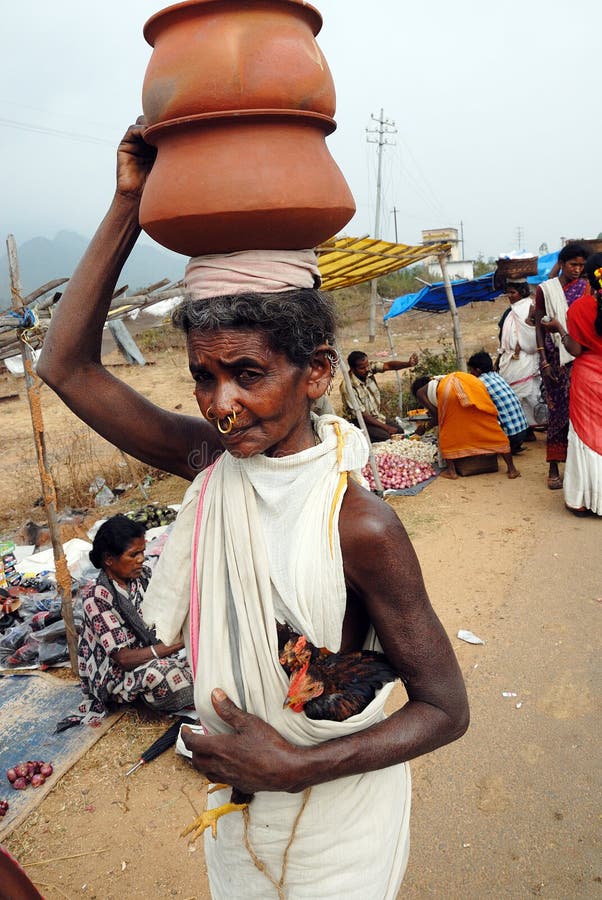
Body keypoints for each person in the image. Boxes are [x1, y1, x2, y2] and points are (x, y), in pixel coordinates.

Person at [37, 120, 468, 898]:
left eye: (247, 372)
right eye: (204, 377)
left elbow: (444, 708)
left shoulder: (360, 525)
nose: (221, 405)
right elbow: (64, 365)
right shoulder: (212, 462)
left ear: (316, 372)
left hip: (339, 823)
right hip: (239, 808)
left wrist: (297, 766)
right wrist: (129, 203)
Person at [77, 514, 194, 724]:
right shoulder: (97, 598)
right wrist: (179, 643)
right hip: (116, 674)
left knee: (201, 657)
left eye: (142, 551)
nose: (141, 558)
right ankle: (149, 700)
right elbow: (123, 658)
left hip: (151, 651)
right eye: (133, 554)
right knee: (162, 673)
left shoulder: (144, 576)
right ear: (109, 560)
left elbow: (169, 607)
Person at [541, 253, 602, 516]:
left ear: (590, 277)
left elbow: (575, 350)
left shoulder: (579, 308)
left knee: (587, 438)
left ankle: (583, 500)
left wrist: (560, 330)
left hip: (588, 378)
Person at [535, 243, 589, 489]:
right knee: (557, 413)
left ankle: (577, 468)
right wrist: (543, 359)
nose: (577, 269)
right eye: (572, 264)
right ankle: (553, 466)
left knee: (579, 414)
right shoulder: (545, 290)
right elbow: (537, 324)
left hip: (578, 358)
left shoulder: (586, 288)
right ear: (562, 264)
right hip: (553, 358)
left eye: (581, 265)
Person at [411, 372, 520, 480]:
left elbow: (437, 416)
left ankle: (451, 471)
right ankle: (512, 469)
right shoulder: (441, 380)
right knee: (488, 426)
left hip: (450, 393)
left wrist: (424, 427)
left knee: (447, 430)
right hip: (474, 386)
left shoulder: (420, 392)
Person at [339, 349, 418, 442]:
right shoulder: (348, 387)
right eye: (362, 368)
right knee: (386, 437)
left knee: (399, 431)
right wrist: (387, 428)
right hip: (359, 422)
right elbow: (363, 416)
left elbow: (388, 365)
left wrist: (408, 364)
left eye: (367, 366)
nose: (367, 369)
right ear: (352, 369)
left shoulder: (368, 368)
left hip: (376, 417)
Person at [496, 280, 541, 431]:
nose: (509, 296)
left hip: (524, 358)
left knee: (529, 395)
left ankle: (540, 423)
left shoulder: (527, 307)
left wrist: (529, 322)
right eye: (508, 292)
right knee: (516, 398)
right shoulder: (511, 311)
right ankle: (525, 428)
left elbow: (531, 339)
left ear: (521, 292)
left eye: (513, 292)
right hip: (509, 359)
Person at [468, 351, 531, 455]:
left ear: (478, 370)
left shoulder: (480, 382)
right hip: (522, 432)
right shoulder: (496, 376)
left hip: (511, 436)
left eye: (471, 370)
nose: (470, 373)